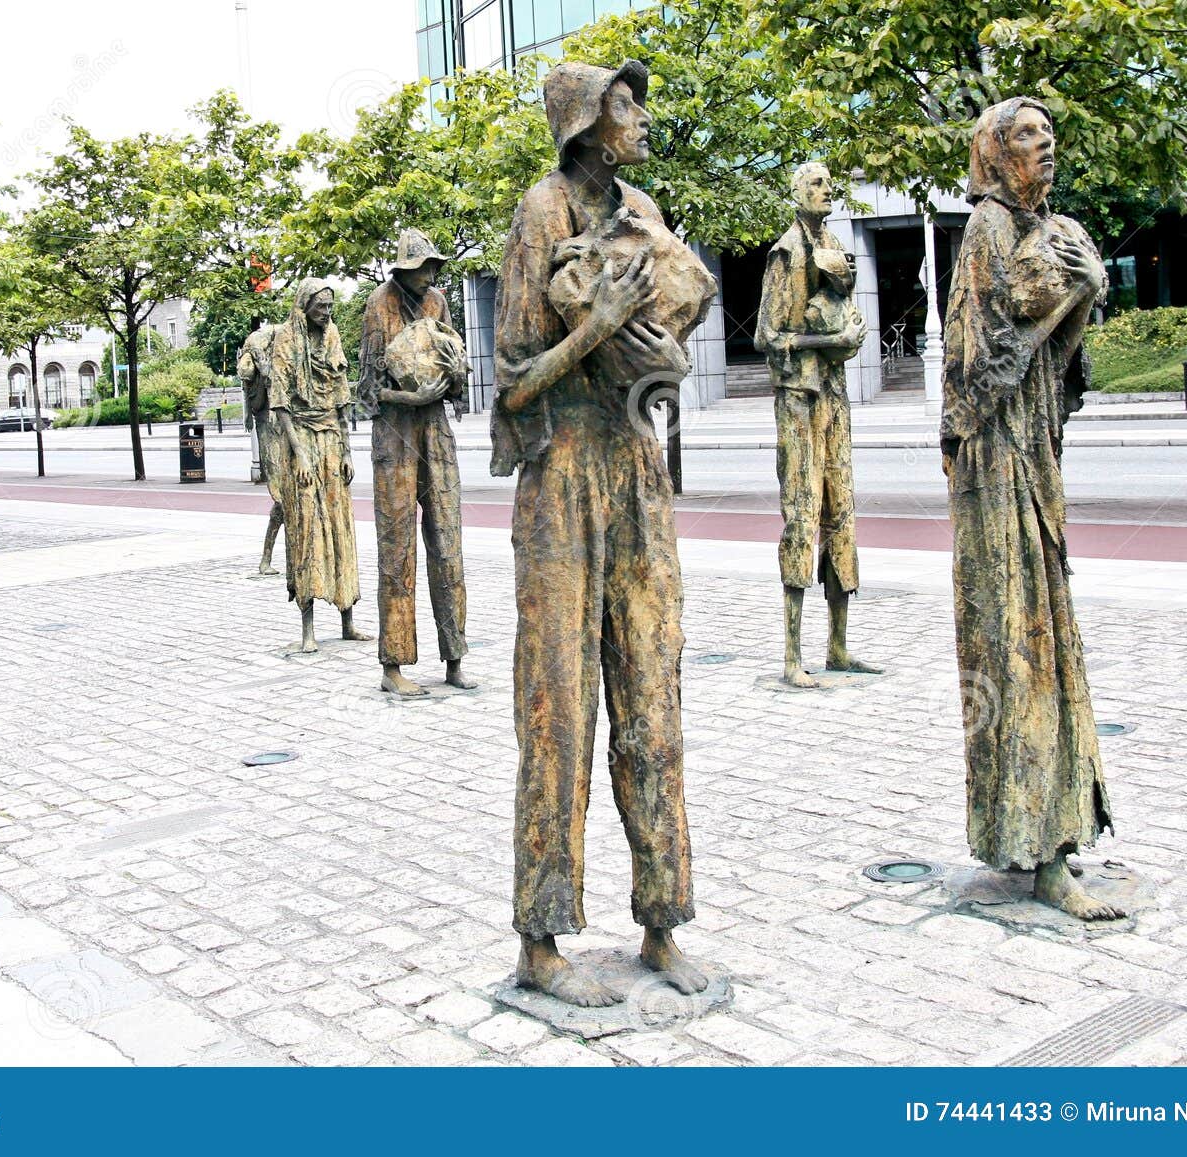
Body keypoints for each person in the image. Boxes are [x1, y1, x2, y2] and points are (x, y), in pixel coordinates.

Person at [493, 59, 709, 1006]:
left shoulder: (646, 209)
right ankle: (541, 942)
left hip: (632, 468)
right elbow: (509, 383)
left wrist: (662, 356)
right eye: (626, 105)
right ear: (585, 122)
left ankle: (663, 922)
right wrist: (593, 331)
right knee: (558, 702)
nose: (643, 119)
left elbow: (665, 359)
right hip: (561, 482)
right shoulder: (543, 211)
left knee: (653, 687)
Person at [940, 97, 1119, 920]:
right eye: (1026, 136)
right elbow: (981, 370)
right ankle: (1039, 852)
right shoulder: (987, 232)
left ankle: (1047, 835)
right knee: (1016, 641)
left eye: (1049, 136)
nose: (1044, 148)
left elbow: (1053, 368)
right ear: (993, 151)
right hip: (994, 466)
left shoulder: (1045, 230)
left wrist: (1077, 299)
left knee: (1044, 637)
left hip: (1032, 458)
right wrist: (1060, 299)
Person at [755, 162, 878, 688]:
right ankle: (791, 656)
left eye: (829, 185)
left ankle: (838, 646)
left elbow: (843, 317)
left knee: (840, 509)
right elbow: (766, 334)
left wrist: (851, 332)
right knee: (801, 511)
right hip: (798, 398)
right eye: (815, 185)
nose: (826, 191)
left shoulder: (833, 245)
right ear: (796, 193)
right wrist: (827, 343)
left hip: (833, 396)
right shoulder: (785, 253)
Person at [358, 229, 476, 697]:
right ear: (403, 270)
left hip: (436, 431)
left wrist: (452, 381)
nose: (431, 275)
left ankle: (455, 657)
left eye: (434, 267)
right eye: (423, 267)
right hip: (394, 432)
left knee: (447, 540)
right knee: (398, 544)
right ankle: (393, 665)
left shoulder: (439, 303)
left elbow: (453, 360)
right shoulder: (377, 305)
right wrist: (407, 395)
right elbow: (367, 393)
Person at [268, 278, 372, 653]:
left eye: (330, 306)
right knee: (307, 530)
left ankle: (348, 618)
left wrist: (346, 450)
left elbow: (342, 397)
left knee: (341, 527)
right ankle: (307, 628)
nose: (327, 312)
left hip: (331, 442)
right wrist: (300, 454)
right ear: (305, 306)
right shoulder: (286, 340)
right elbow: (280, 405)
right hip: (302, 444)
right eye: (321, 306)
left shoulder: (332, 337)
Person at [237, 324, 283, 575]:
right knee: (281, 501)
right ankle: (266, 559)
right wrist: (247, 414)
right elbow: (250, 391)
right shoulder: (256, 353)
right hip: (270, 430)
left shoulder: (278, 344)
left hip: (286, 430)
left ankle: (271, 559)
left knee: (285, 503)